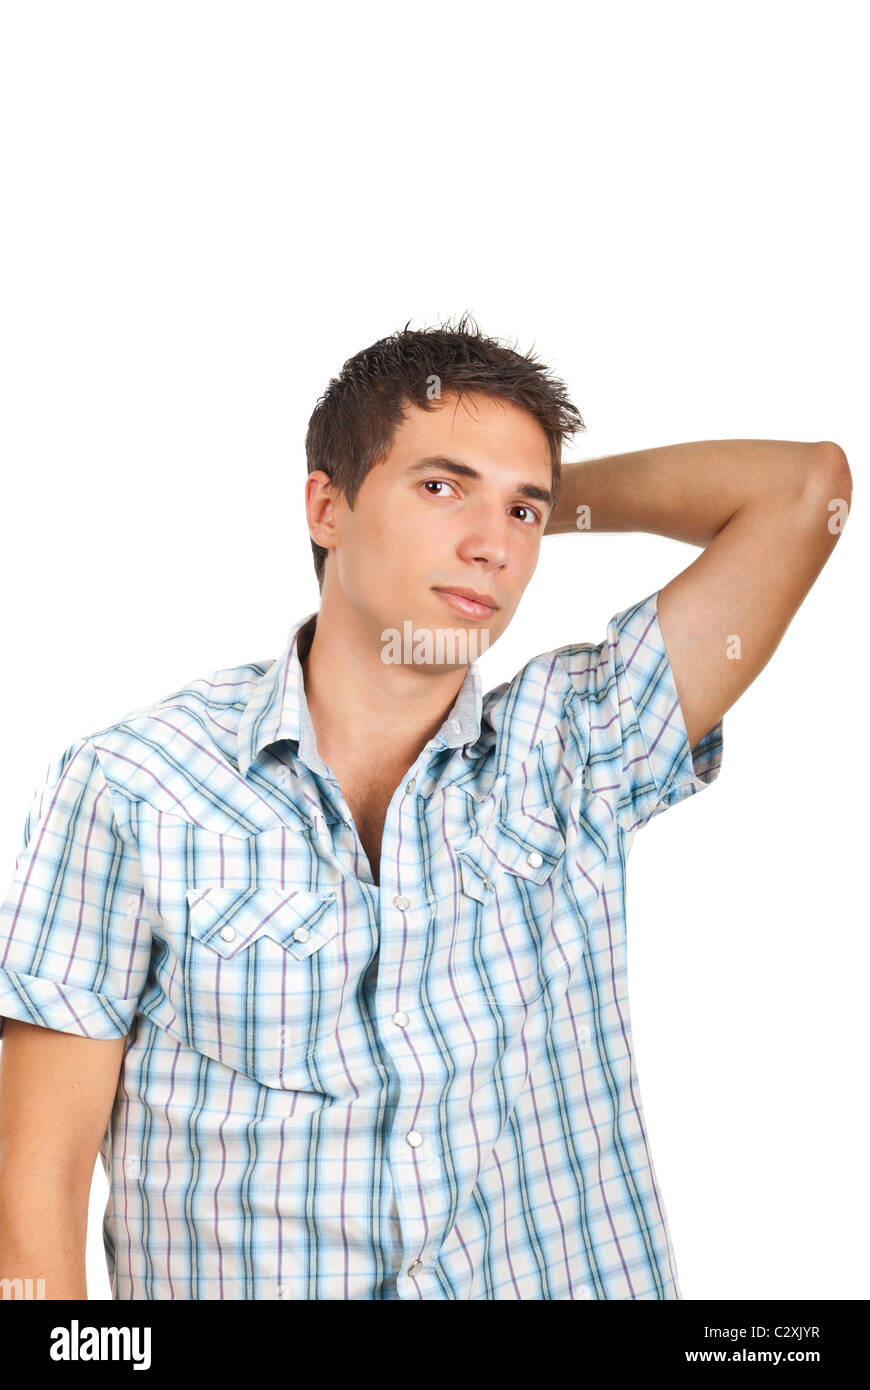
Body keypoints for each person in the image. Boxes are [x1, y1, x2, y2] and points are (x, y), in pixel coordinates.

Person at [0, 314, 851, 1300]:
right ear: (328, 505)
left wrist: (534, 492)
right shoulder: (133, 789)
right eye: (440, 487)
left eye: (523, 513)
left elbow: (805, 492)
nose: (491, 545)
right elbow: (35, 1193)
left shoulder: (579, 743)